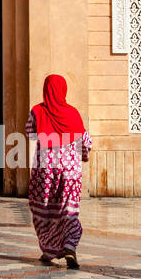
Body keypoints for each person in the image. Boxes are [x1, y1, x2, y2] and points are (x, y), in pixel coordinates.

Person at [26, 74, 92, 268]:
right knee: (68, 209)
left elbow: (30, 133)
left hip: (45, 172)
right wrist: (84, 155)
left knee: (43, 209)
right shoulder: (73, 113)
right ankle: (69, 245)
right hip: (70, 172)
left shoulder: (37, 111)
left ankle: (49, 249)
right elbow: (85, 142)